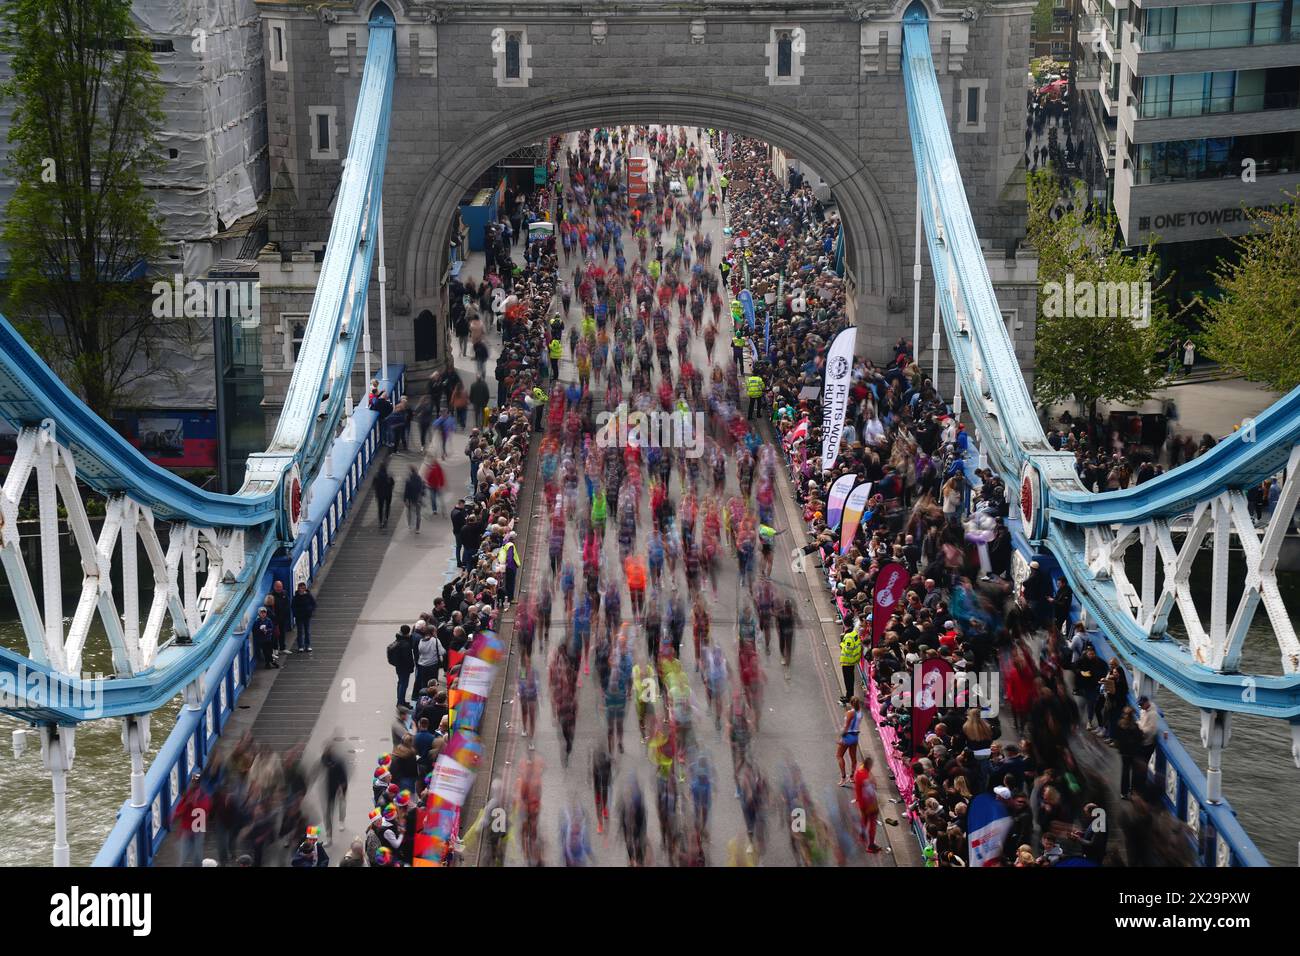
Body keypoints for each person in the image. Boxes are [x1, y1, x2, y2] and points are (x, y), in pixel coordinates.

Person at [852, 755, 882, 852]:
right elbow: (870, 792)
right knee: (872, 824)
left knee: (864, 819)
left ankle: (862, 836)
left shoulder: (859, 772)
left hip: (861, 802)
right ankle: (871, 845)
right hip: (869, 804)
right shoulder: (866, 778)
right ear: (869, 765)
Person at [388, 625, 416, 706]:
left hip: (399, 666)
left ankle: (400, 700)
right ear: (408, 632)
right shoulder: (405, 645)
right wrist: (411, 667)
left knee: (400, 683)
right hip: (405, 668)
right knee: (404, 684)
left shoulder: (399, 640)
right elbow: (408, 658)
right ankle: (401, 702)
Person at [836, 697, 862, 786]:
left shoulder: (849, 713)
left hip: (847, 736)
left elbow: (846, 727)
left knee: (839, 756)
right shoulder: (860, 713)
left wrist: (840, 737)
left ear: (851, 703)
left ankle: (843, 778)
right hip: (855, 737)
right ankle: (851, 777)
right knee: (853, 758)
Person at [838, 621, 861, 704]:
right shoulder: (854, 633)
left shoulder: (848, 637)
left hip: (847, 662)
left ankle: (849, 697)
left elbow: (847, 650)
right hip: (853, 661)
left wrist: (842, 644)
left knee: (848, 680)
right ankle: (850, 695)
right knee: (850, 679)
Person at [291, 582, 316, 653]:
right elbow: (293, 606)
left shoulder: (308, 596)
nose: (301, 589)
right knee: (300, 631)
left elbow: (313, 604)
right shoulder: (296, 597)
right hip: (299, 617)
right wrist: (296, 614)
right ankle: (300, 646)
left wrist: (310, 610)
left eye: (302, 588)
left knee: (307, 631)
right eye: (300, 588)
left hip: (307, 616)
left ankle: (307, 645)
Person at [374, 461, 395, 529]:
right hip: (388, 494)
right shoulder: (388, 476)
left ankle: (380, 522)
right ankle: (386, 518)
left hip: (380, 495)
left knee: (380, 508)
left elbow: (374, 485)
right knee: (387, 506)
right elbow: (392, 484)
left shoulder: (377, 476)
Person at [403, 466, 425, 532]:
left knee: (409, 512)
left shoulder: (408, 480)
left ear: (411, 472)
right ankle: (417, 528)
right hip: (418, 499)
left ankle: (410, 525)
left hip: (410, 499)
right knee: (418, 514)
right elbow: (422, 488)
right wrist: (422, 495)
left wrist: (405, 499)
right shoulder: (419, 478)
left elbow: (406, 491)